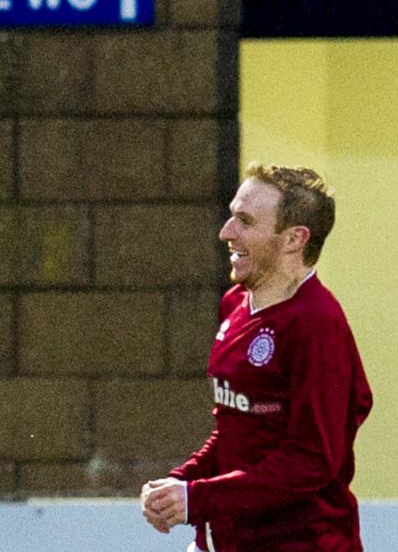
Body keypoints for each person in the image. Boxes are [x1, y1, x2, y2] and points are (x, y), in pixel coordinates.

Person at [140, 163, 373, 551]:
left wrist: (199, 498)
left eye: (245, 221)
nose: (226, 232)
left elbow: (311, 460)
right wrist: (182, 483)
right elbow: (237, 431)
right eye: (232, 216)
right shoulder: (235, 305)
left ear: (293, 239)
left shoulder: (317, 324)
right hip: (224, 540)